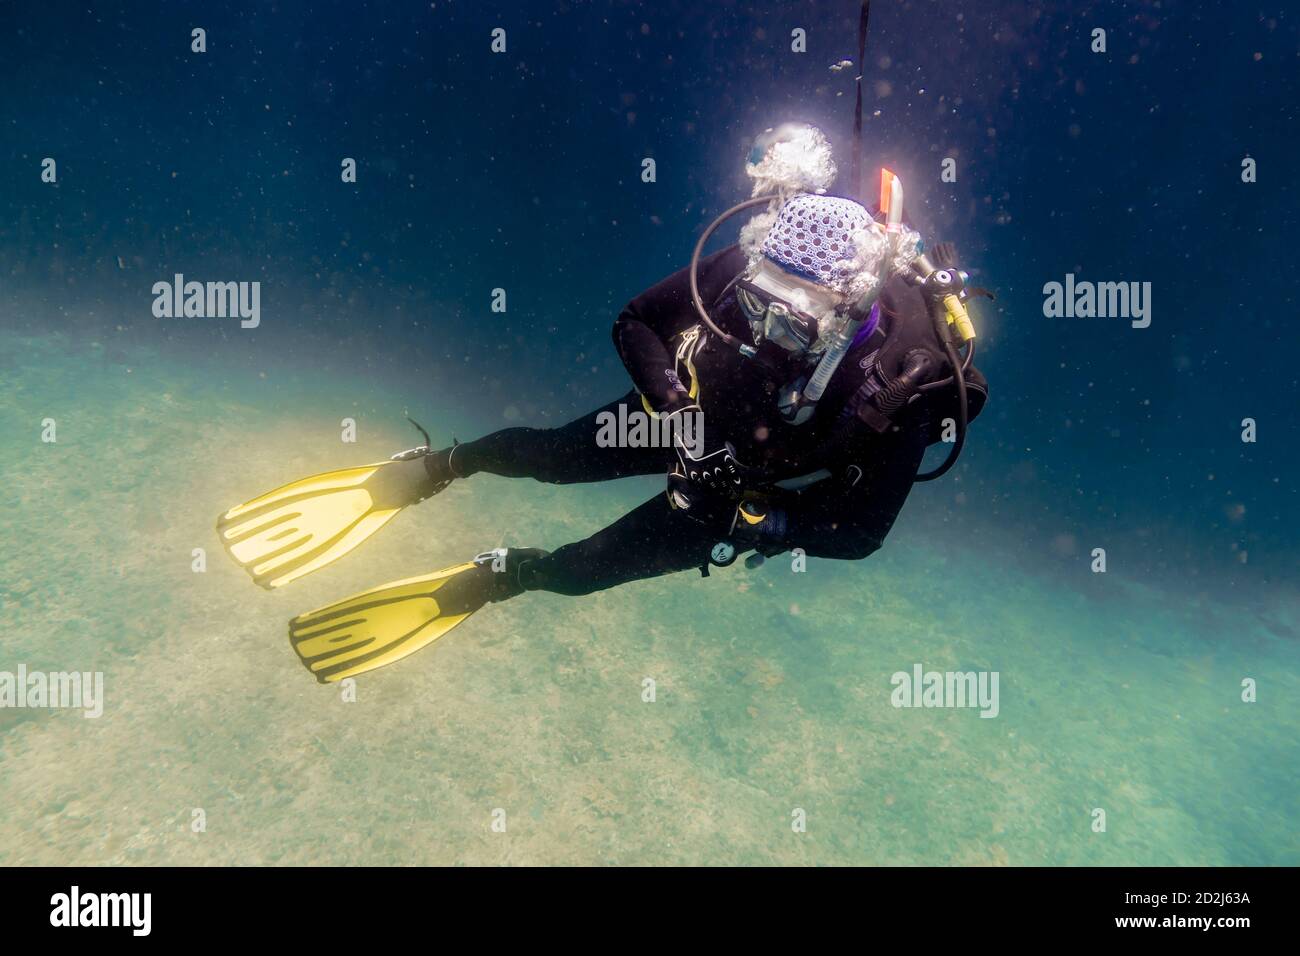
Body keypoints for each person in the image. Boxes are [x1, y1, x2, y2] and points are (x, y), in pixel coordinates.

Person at [218, 174, 988, 683]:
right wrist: (672, 402)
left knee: (582, 571)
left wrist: (765, 522)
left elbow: (862, 533)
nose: (754, 330)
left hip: (738, 492)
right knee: (550, 456)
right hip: (683, 419)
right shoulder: (741, 266)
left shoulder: (904, 383)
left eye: (783, 319)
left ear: (848, 311)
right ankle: (443, 465)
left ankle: (501, 574)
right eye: (752, 301)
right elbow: (637, 321)